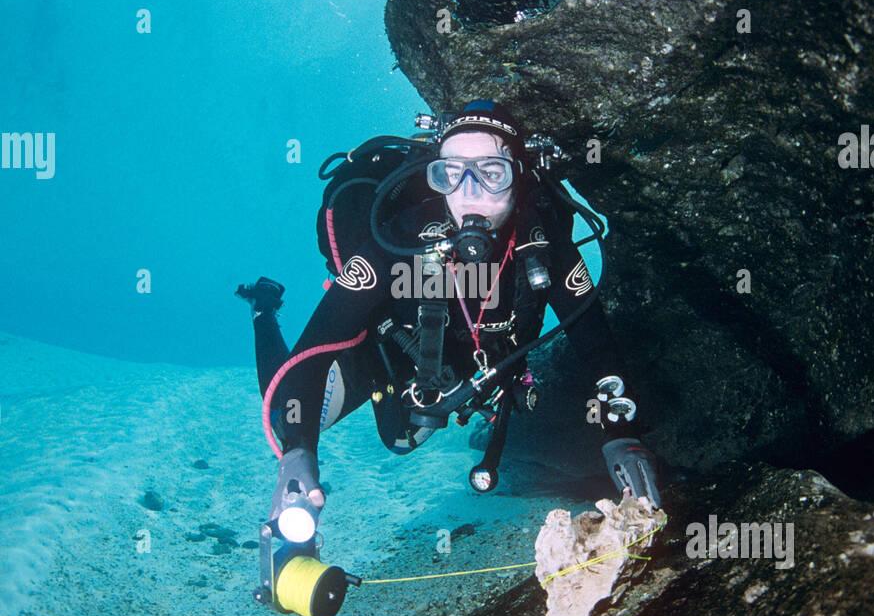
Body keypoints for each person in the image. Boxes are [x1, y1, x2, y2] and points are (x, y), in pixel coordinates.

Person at [237, 100, 660, 534]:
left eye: (492, 173)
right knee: (286, 417)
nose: (469, 192)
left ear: (519, 177)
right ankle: (263, 309)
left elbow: (594, 340)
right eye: (452, 173)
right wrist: (298, 450)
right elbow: (315, 344)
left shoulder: (544, 244)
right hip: (392, 351)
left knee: (403, 440)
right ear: (435, 176)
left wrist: (621, 433)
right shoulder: (398, 239)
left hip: (468, 370)